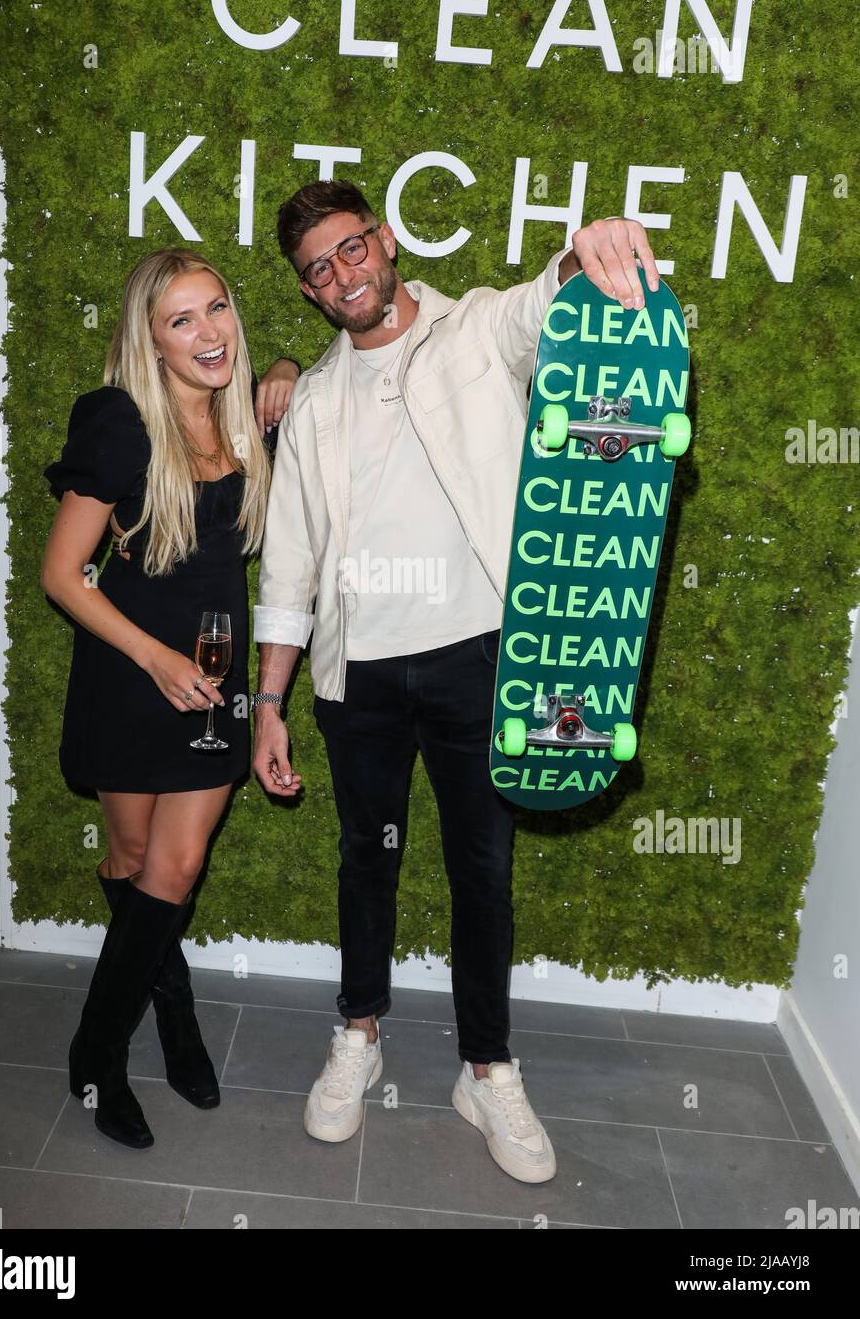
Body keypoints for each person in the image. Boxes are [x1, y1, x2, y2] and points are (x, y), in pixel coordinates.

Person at [251, 180, 659, 1183]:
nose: (343, 273)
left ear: (385, 240)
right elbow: (291, 562)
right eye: (319, 268)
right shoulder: (311, 401)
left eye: (352, 248)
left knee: (483, 870)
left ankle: (486, 1067)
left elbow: (546, 298)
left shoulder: (476, 328)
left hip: (486, 655)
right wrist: (267, 702)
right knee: (366, 861)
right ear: (307, 290)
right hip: (360, 677)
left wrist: (587, 250)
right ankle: (359, 1032)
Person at [40, 247, 300, 1148]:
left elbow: (326, 372)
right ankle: (163, 1018)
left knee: (178, 869)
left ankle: (96, 1048)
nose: (207, 332)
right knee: (133, 855)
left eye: (217, 309)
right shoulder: (119, 425)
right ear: (149, 342)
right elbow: (63, 574)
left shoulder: (251, 426)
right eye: (180, 320)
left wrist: (287, 367)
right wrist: (153, 658)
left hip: (216, 685)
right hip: (130, 673)